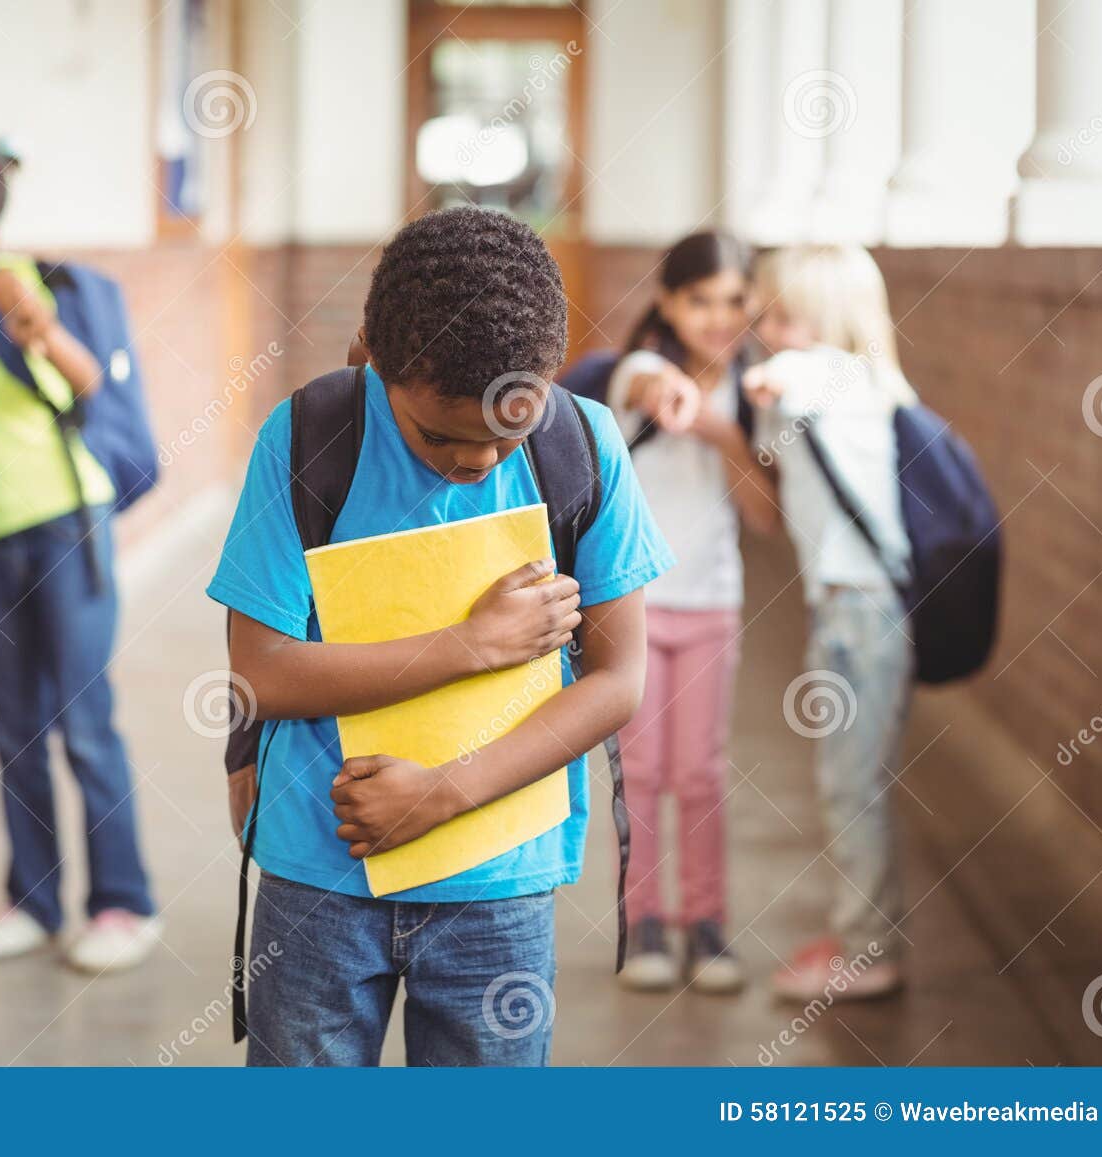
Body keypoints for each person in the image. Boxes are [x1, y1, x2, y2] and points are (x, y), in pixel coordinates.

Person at [208, 206, 673, 1066]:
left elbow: (617, 680)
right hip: (321, 872)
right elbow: (261, 670)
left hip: (500, 881)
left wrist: (444, 793)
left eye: (509, 433)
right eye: (441, 435)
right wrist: (470, 646)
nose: (478, 462)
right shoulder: (310, 440)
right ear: (377, 362)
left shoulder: (585, 447)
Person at [0, 142, 158, 974]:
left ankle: (123, 904)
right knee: (15, 727)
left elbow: (86, 379)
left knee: (84, 723)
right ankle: (35, 901)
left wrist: (42, 328)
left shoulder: (5, 277)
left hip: (64, 523)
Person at [604, 231, 778, 994]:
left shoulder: (758, 391)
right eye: (698, 299)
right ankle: (641, 922)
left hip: (710, 600)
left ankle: (705, 924)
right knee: (639, 769)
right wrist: (671, 397)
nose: (716, 316)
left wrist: (724, 430)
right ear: (670, 303)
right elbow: (646, 387)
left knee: (699, 772)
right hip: (633, 608)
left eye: (733, 301)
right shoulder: (640, 368)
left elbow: (765, 517)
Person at [745, 244, 916, 1002]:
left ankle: (867, 950)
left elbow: (778, 378)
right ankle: (859, 928)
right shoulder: (858, 383)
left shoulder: (832, 373)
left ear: (827, 320)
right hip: (852, 607)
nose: (770, 330)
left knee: (852, 788)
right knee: (848, 781)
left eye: (784, 315)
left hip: (857, 611)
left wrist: (768, 372)